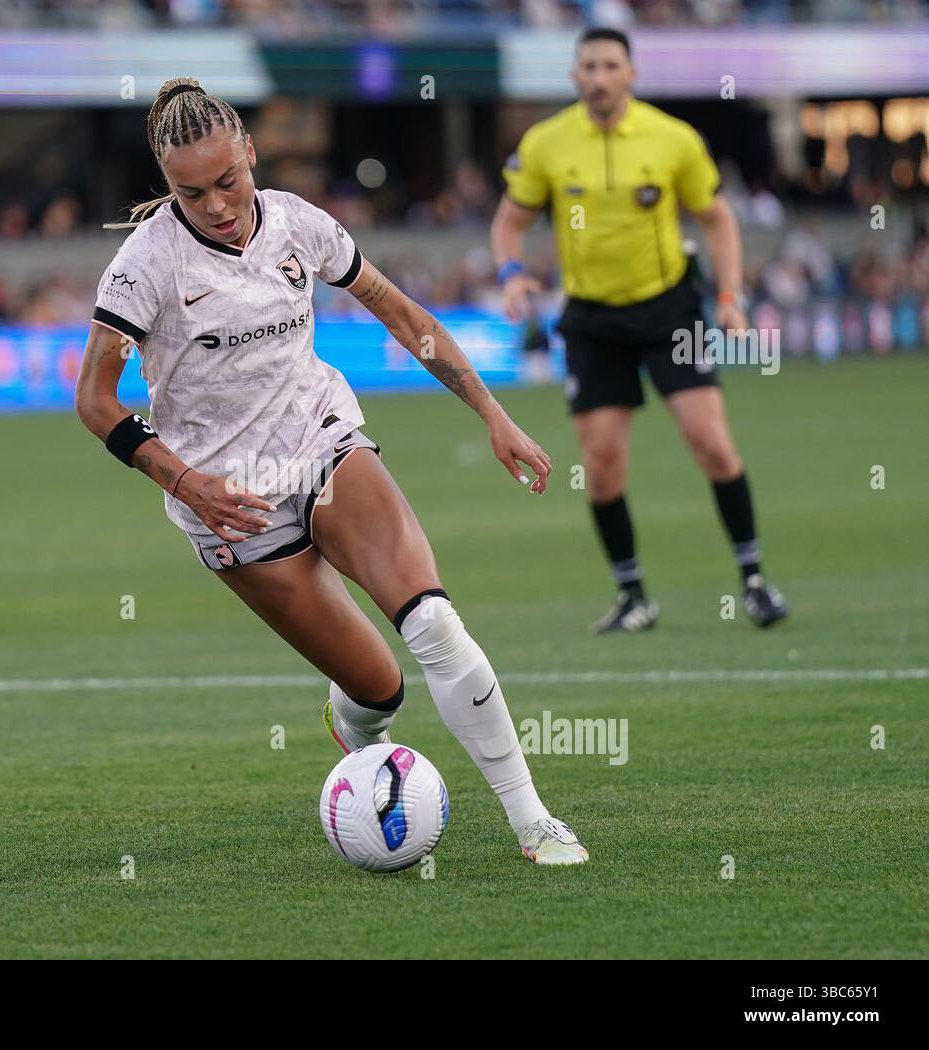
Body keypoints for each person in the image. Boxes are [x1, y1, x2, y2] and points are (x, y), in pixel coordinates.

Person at [76, 78, 587, 865]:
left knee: (434, 625)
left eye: (227, 181)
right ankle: (359, 730)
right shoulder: (145, 265)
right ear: (166, 183)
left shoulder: (299, 223)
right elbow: (95, 399)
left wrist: (492, 413)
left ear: (251, 152)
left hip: (322, 443)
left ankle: (533, 822)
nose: (216, 205)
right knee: (379, 689)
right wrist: (185, 483)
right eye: (191, 192)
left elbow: (405, 317)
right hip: (232, 503)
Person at [492, 27, 788, 633]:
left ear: (631, 75)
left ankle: (755, 581)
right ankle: (633, 598)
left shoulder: (672, 138)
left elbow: (718, 219)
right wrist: (513, 275)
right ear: (575, 77)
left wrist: (730, 297)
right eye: (589, 67)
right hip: (591, 319)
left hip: (669, 311)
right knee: (601, 466)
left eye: (610, 66)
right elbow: (509, 222)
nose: (599, 78)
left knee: (712, 445)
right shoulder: (546, 143)